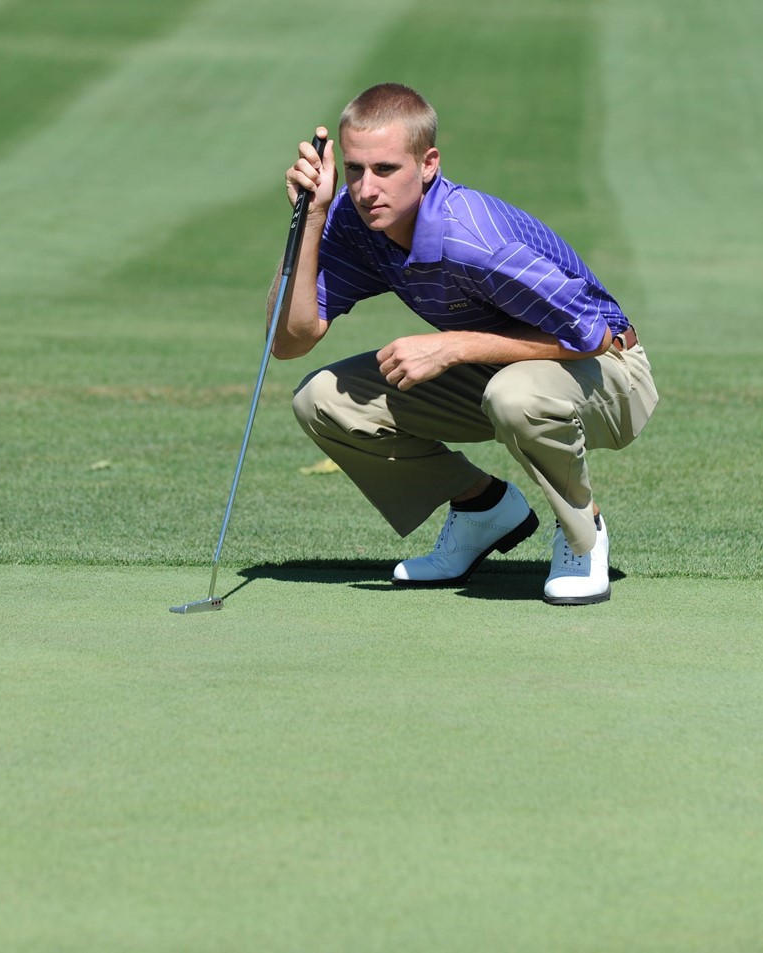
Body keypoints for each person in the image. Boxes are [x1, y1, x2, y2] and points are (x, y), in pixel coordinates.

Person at [276, 83, 657, 604]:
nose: (366, 189)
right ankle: (482, 509)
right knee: (322, 400)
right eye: (356, 169)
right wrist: (311, 219)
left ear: (428, 163)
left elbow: (594, 335)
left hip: (611, 374)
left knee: (515, 396)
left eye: (386, 169)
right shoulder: (352, 219)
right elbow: (291, 341)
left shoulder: (476, 239)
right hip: (503, 366)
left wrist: (452, 346)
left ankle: (582, 535)